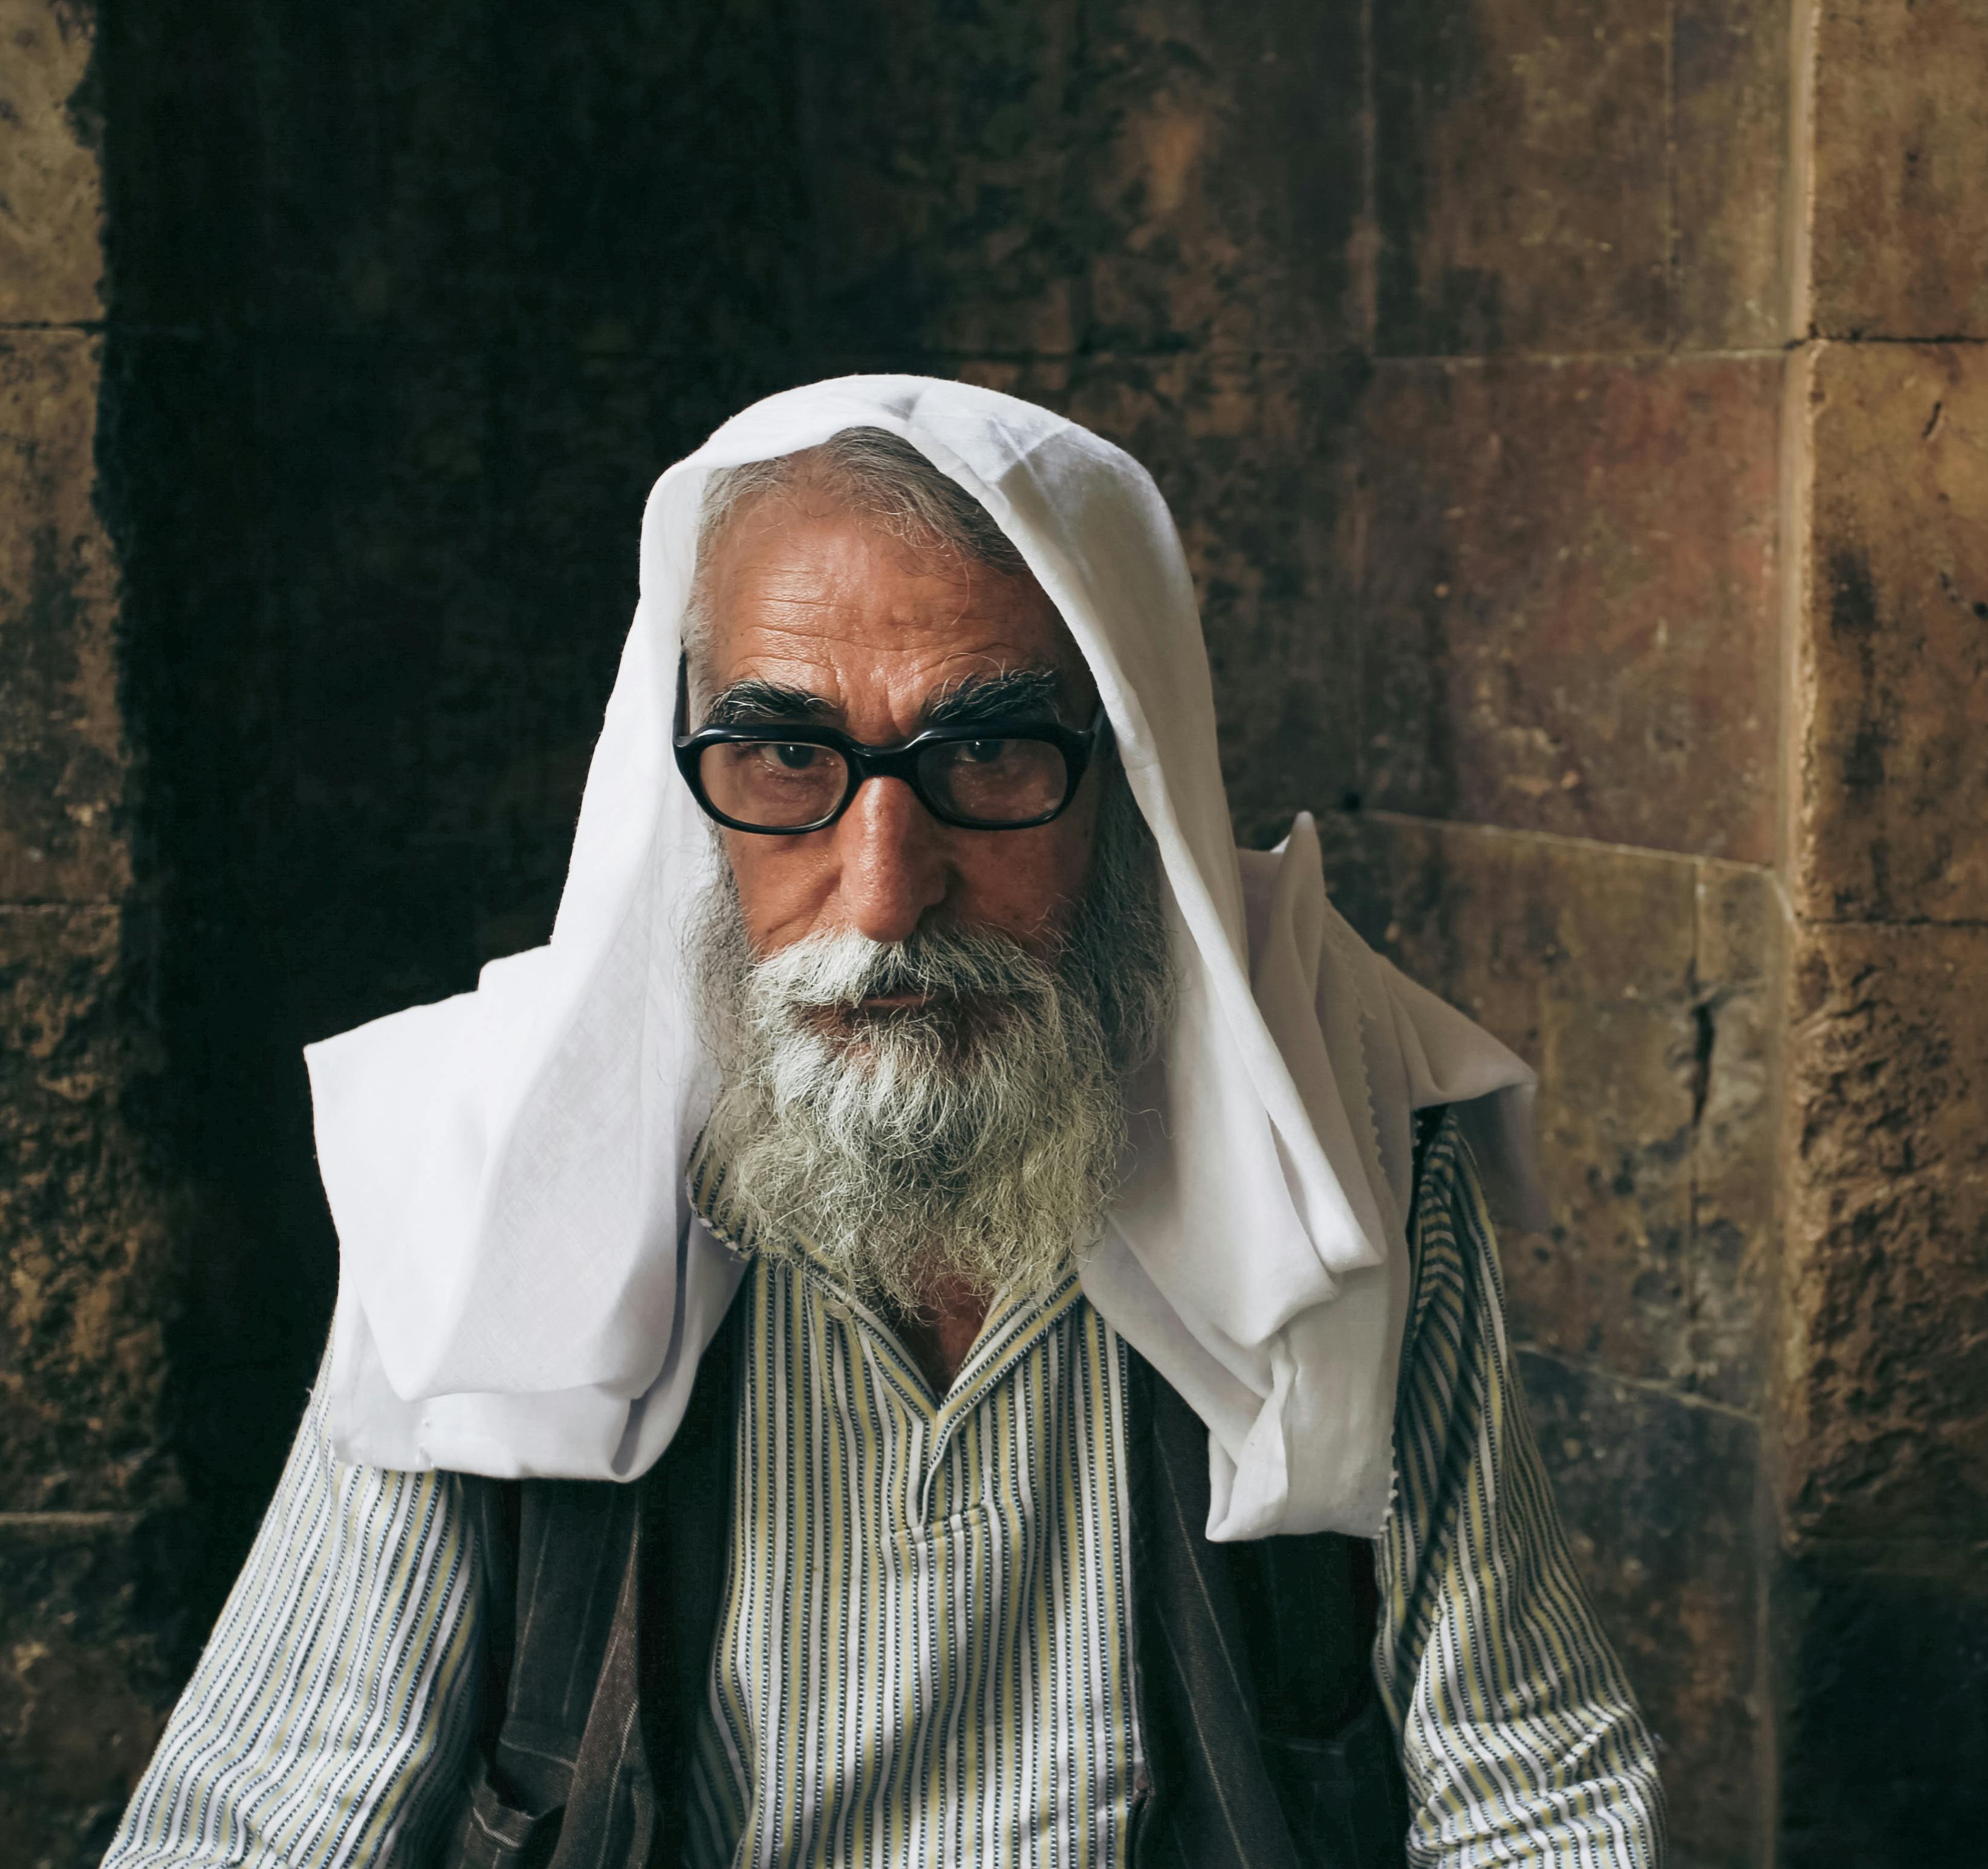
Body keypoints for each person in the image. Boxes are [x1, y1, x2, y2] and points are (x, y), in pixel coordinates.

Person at [103, 380, 1663, 1868]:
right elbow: (265, 1817)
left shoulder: (1336, 1152)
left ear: (1129, 786)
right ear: (691, 794)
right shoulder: (483, 1183)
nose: (884, 891)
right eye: (789, 755)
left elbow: (1532, 1788)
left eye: (985, 750)